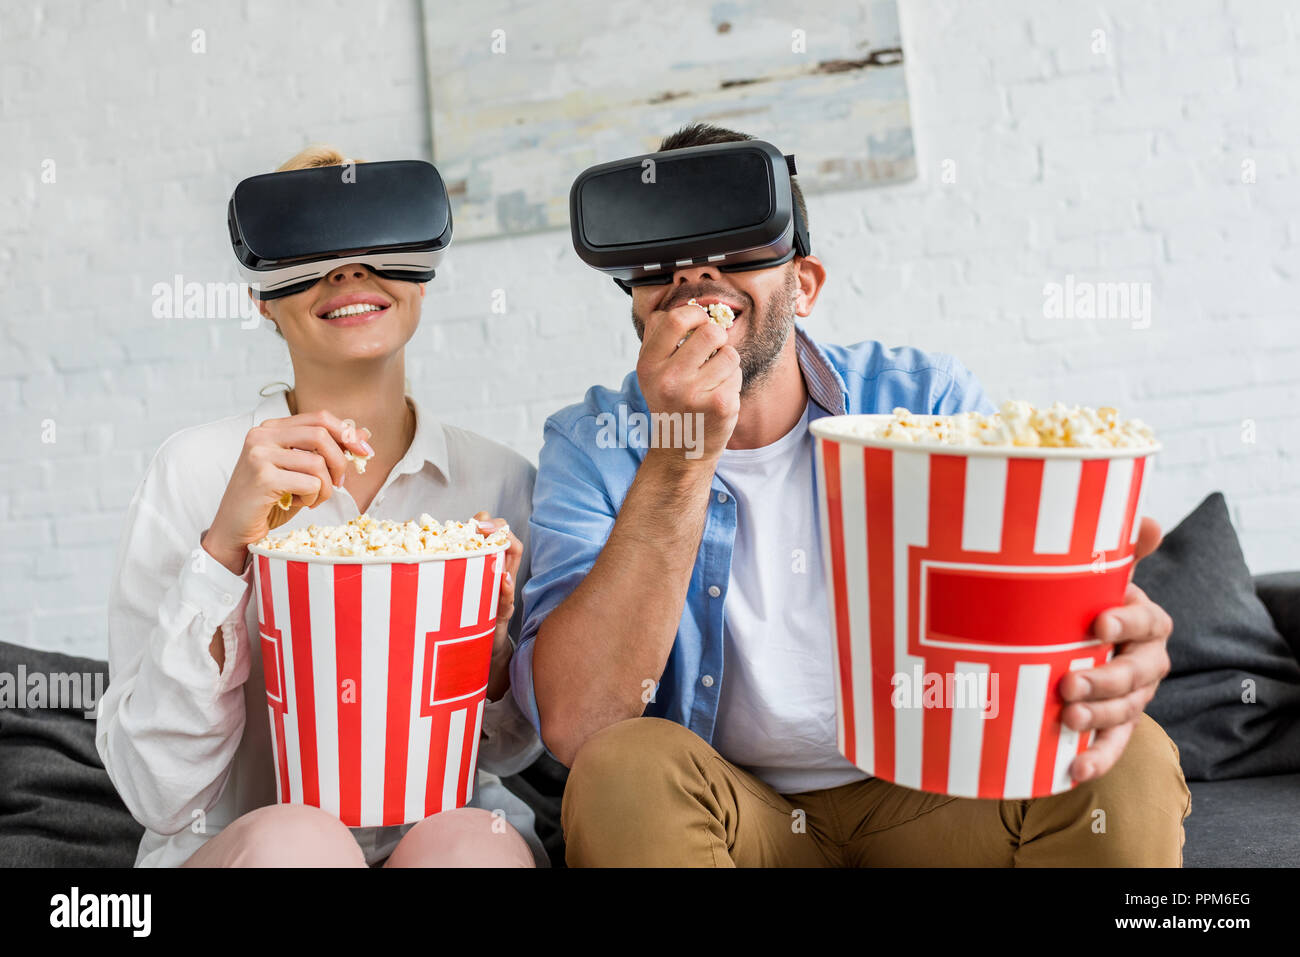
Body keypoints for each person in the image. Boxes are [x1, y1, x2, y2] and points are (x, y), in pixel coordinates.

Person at [513, 123, 1191, 867]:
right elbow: (580, 723)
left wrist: (1103, 637)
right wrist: (679, 458)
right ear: (637, 302)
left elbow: (1025, 620)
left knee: (1128, 760)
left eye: (732, 247)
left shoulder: (926, 400)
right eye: (662, 262)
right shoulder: (591, 444)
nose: (694, 277)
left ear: (804, 286)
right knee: (621, 768)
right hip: (735, 815)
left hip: (936, 796)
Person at [97, 146, 544, 867]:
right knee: (298, 841)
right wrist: (220, 555)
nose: (348, 270)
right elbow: (156, 792)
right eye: (310, 248)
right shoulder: (194, 471)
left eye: (378, 241)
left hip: (439, 836)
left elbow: (513, 752)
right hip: (248, 842)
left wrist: (488, 652)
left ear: (423, 279)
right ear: (262, 298)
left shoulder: (499, 481)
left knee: (474, 846)